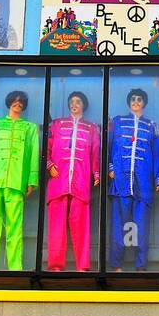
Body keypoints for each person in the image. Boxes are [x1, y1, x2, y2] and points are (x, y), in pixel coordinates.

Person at [0, 90, 40, 271]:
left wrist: (32, 180)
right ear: (9, 102)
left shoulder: (30, 128)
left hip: (16, 182)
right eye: (15, 101)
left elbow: (34, 155)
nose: (18, 103)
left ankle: (15, 268)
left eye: (21, 102)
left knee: (15, 227)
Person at [108, 89, 159, 270]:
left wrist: (158, 178)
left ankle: (141, 266)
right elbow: (108, 147)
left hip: (143, 183)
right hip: (121, 182)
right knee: (119, 226)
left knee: (140, 226)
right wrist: (110, 168)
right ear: (128, 102)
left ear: (144, 103)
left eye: (140, 99)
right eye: (133, 99)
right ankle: (116, 265)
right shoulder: (117, 122)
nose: (136, 102)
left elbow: (158, 154)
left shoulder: (152, 125)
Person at [46, 91, 100, 271]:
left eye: (78, 101)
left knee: (81, 227)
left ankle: (83, 266)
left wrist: (96, 173)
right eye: (72, 101)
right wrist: (49, 164)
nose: (74, 104)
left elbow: (95, 153)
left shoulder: (91, 128)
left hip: (81, 180)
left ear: (83, 105)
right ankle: (55, 266)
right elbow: (46, 148)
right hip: (58, 181)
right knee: (56, 227)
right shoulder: (57, 125)